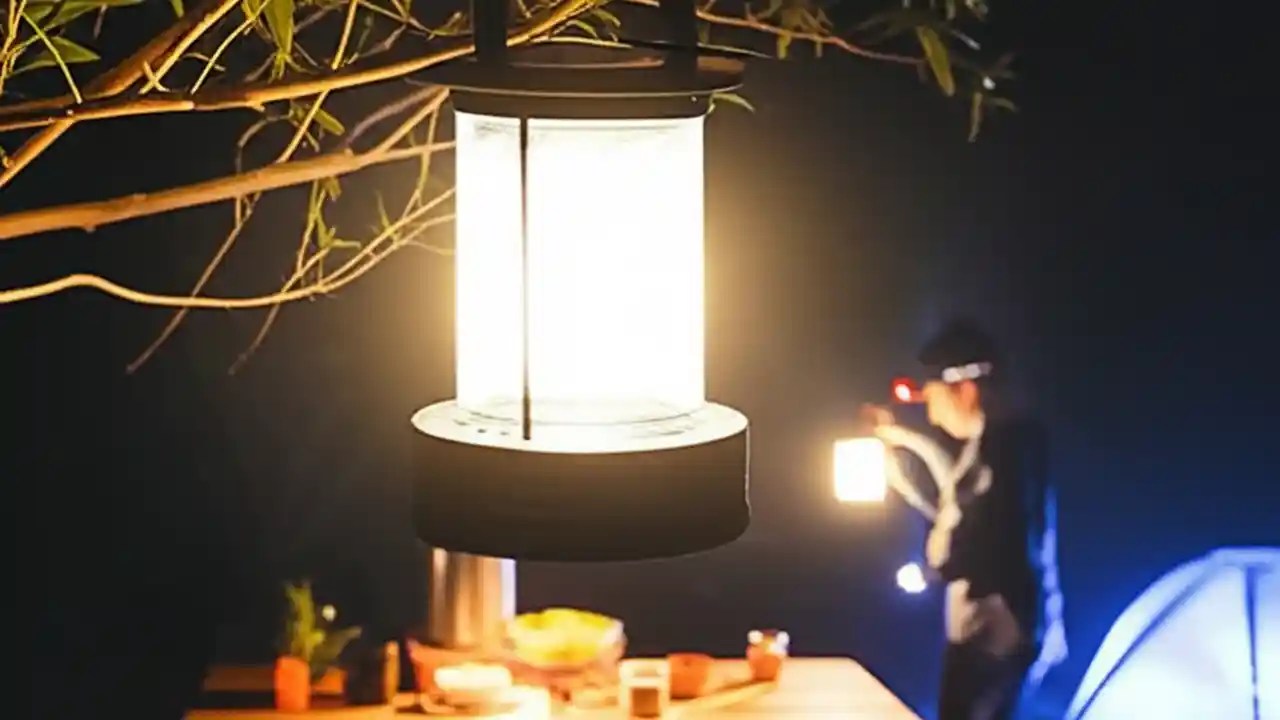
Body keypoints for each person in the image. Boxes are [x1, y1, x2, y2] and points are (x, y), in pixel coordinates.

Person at [861, 319, 1067, 720]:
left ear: (965, 390)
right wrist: (900, 452)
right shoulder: (995, 445)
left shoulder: (1005, 449)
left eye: (934, 400)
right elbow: (955, 512)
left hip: (996, 633)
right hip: (990, 632)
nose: (933, 418)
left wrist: (939, 565)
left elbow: (991, 535)